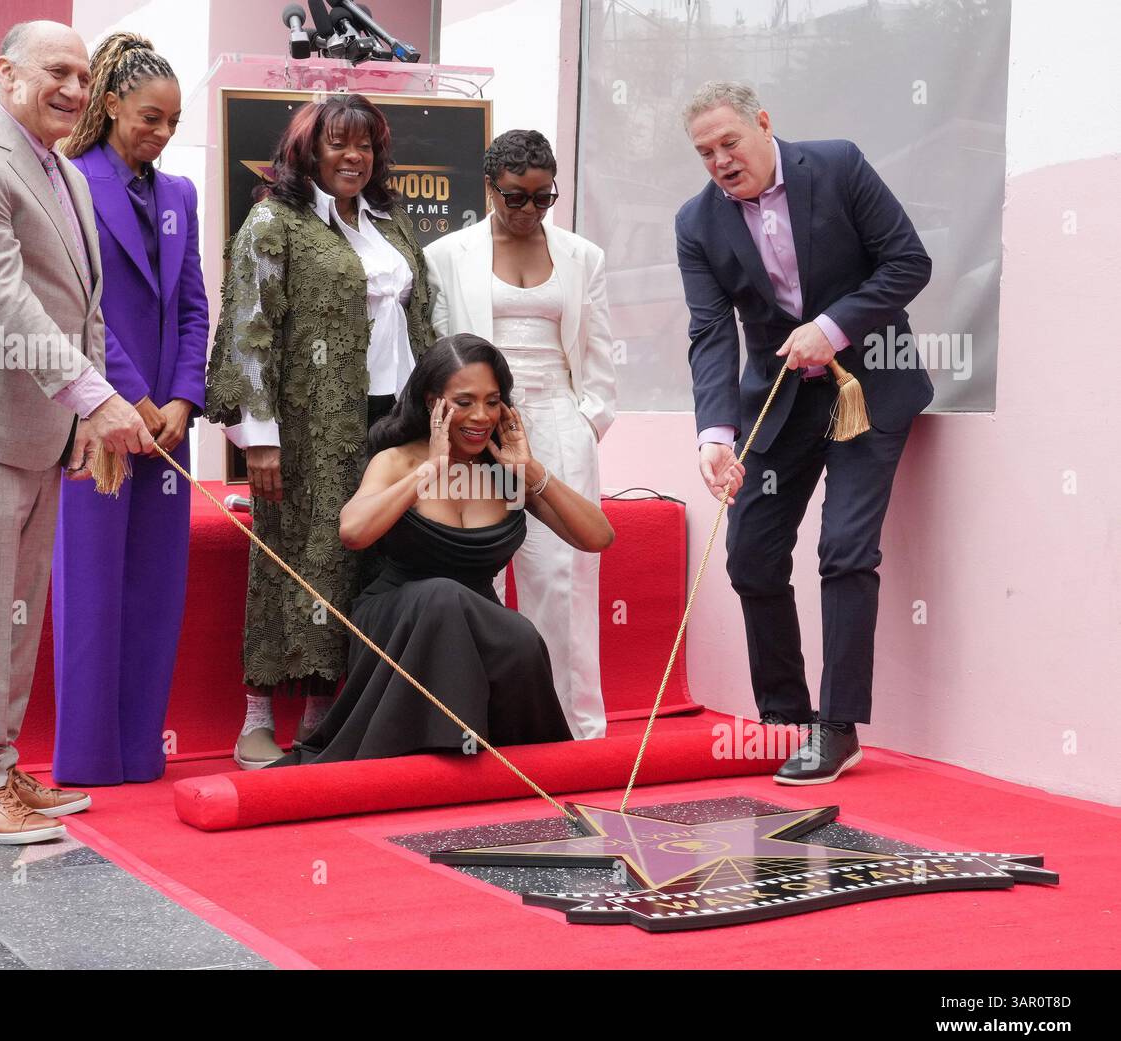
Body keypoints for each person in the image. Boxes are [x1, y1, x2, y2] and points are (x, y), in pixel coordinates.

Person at [0, 21, 154, 842]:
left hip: (40, 431)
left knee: (15, 609)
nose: (76, 91)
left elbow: (81, 311)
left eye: (85, 76)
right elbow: (2, 301)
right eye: (58, 72)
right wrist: (95, 399)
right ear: (6, 72)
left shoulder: (67, 176)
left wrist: (85, 418)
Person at [675, 80, 932, 784]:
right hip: (778, 406)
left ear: (764, 122)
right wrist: (715, 434)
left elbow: (909, 263)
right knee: (752, 557)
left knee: (845, 550)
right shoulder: (696, 223)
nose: (722, 161)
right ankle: (785, 720)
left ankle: (838, 728)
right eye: (706, 153)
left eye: (730, 142)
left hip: (871, 387)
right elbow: (709, 333)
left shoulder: (840, 165)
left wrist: (831, 327)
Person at [206, 94, 435, 768]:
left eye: (365, 146)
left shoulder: (389, 226)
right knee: (297, 563)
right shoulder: (274, 223)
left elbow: (424, 321)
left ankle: (322, 714)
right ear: (307, 148)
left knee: (364, 566)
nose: (354, 157)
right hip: (308, 426)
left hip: (391, 423)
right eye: (339, 142)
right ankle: (254, 719)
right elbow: (248, 327)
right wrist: (261, 437)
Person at [270, 333, 613, 767]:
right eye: (464, 401)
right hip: (396, 621)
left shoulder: (504, 474)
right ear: (434, 402)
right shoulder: (398, 461)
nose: (481, 415)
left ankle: (519, 764)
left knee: (520, 634)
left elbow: (597, 537)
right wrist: (431, 470)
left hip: (475, 626)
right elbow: (353, 532)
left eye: (492, 401)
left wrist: (531, 471)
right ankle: (442, 760)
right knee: (441, 596)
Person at [49, 32, 208, 785]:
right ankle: (87, 758)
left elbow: (192, 309)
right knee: (91, 588)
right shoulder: (69, 181)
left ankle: (141, 754)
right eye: (150, 117)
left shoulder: (180, 195)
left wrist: (181, 399)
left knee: (154, 590)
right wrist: (130, 400)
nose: (161, 133)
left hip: (169, 428)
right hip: (98, 421)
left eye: (173, 122)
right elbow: (78, 310)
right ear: (111, 104)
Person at [424, 130, 617, 741]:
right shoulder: (446, 255)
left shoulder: (583, 256)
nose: (529, 211)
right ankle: (493, 722)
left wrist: (586, 421)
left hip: (558, 420)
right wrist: (458, 430)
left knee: (562, 575)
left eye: (543, 198)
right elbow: (439, 347)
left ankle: (575, 725)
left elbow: (599, 354)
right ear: (489, 186)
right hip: (476, 427)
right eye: (516, 198)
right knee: (478, 564)